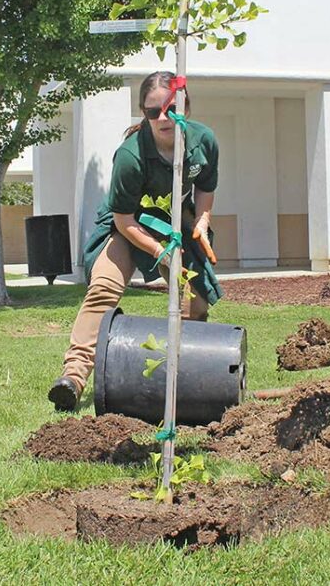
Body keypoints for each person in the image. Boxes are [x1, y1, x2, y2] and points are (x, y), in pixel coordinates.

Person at [49, 71, 221, 411]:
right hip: (130, 223)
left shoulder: (205, 141)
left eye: (171, 108)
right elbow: (123, 220)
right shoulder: (130, 156)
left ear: (185, 105)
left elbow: (205, 187)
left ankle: (178, 376)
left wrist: (202, 220)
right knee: (104, 285)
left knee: (196, 299)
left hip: (175, 220)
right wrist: (160, 253)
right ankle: (73, 377)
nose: (162, 118)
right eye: (151, 112)